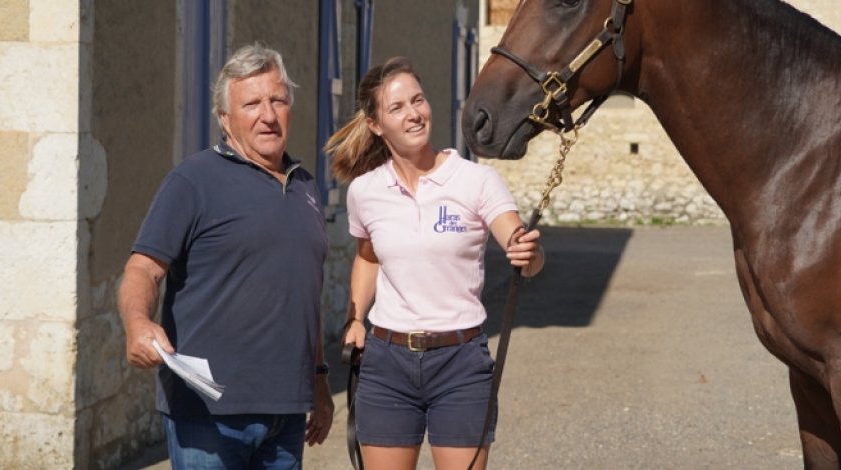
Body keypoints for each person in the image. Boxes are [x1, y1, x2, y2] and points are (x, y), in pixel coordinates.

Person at [119, 43, 334, 469]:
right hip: (207, 415)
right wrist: (137, 323)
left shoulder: (305, 184)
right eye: (252, 103)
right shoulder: (192, 181)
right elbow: (143, 267)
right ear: (225, 118)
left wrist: (320, 381)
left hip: (286, 412)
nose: (268, 115)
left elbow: (305, 292)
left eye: (277, 100)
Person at [323, 57, 545, 470]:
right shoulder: (366, 192)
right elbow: (368, 257)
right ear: (375, 124)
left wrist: (529, 253)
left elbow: (521, 248)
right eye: (397, 108)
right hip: (387, 362)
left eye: (418, 100)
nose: (413, 114)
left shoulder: (476, 181)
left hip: (460, 362)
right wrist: (355, 318)